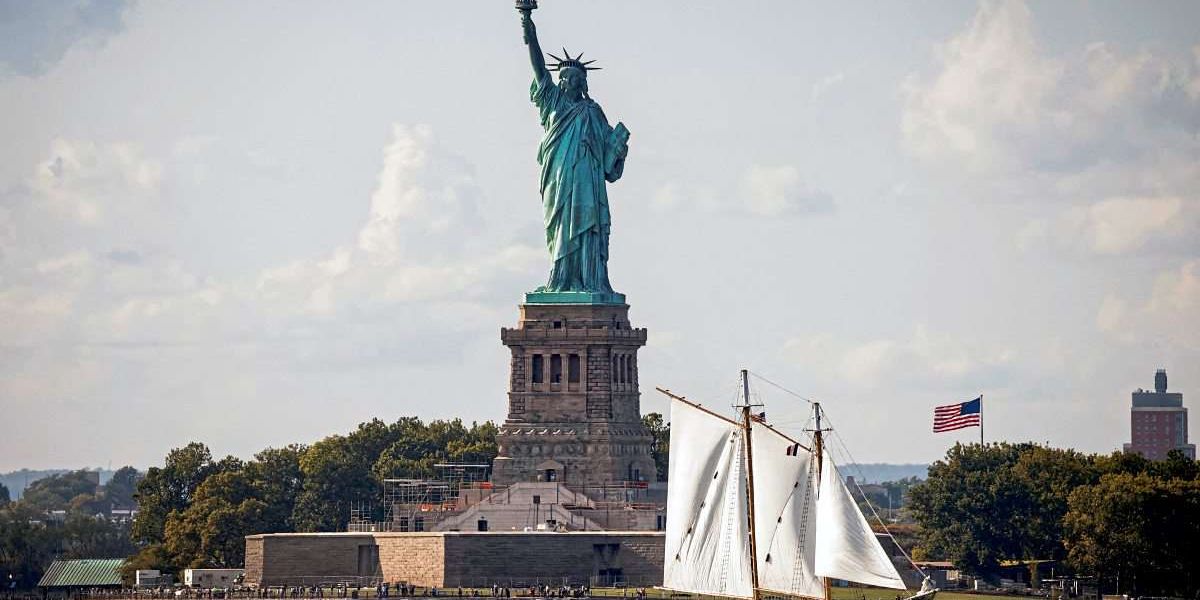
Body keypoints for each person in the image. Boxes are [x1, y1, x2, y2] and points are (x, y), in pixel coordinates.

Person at [519, 6, 629, 295]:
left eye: (574, 80)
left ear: (583, 84)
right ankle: (562, 279)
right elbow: (538, 66)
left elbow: (609, 164)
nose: (567, 82)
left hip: (588, 183)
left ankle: (590, 280)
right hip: (559, 179)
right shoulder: (552, 103)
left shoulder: (593, 112)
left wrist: (618, 147)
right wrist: (527, 23)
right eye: (564, 78)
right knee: (559, 231)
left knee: (589, 228)